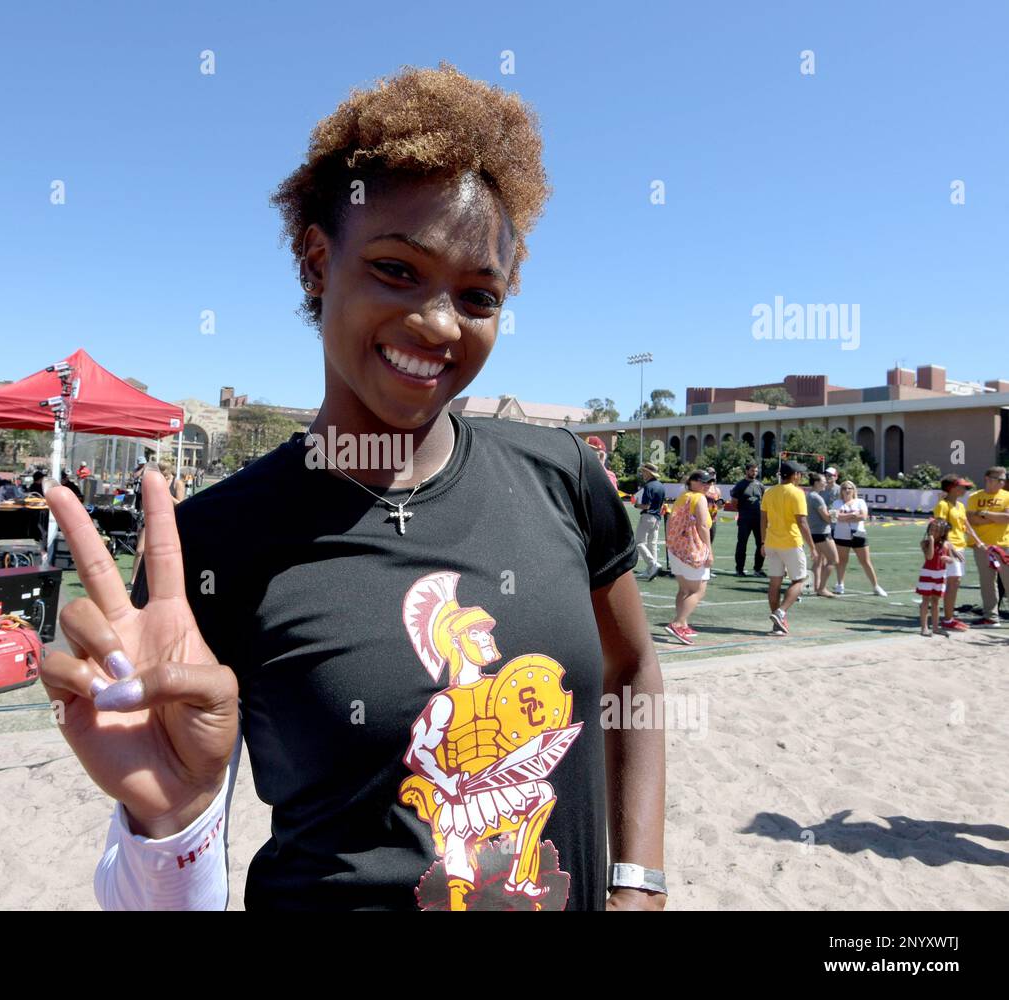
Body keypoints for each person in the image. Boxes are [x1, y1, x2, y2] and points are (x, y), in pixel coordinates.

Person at [39, 65, 665, 913]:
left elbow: (631, 671)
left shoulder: (564, 476)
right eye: (397, 270)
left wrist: (639, 883)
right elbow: (152, 888)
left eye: (478, 295)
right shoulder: (211, 550)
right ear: (317, 259)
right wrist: (177, 823)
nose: (440, 323)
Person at [760, 460, 813, 635]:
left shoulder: (769, 492)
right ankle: (780, 613)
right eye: (799, 474)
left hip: (772, 543)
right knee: (799, 580)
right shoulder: (797, 493)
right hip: (791, 542)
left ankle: (777, 624)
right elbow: (802, 522)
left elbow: (763, 519)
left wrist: (762, 542)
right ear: (794, 475)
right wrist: (813, 547)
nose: (801, 477)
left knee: (774, 584)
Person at [663, 470, 712, 644]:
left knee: (684, 589)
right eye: (703, 482)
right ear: (693, 482)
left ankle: (682, 622)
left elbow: (670, 520)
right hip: (692, 549)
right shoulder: (699, 499)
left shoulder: (683, 496)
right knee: (698, 590)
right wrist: (709, 551)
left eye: (709, 482)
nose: (707, 485)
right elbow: (703, 526)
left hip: (677, 548)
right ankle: (677, 623)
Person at [931, 475, 983, 631]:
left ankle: (948, 617)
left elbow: (966, 526)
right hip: (948, 548)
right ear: (951, 488)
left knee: (954, 582)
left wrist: (978, 541)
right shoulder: (942, 505)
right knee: (949, 582)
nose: (965, 489)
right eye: (962, 487)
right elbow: (938, 528)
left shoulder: (960, 505)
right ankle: (947, 619)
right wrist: (947, 546)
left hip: (960, 547)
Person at [966, 466, 1009, 626]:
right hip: (982, 546)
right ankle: (991, 617)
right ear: (989, 479)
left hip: (1004, 545)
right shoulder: (975, 497)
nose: (1004, 482)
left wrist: (985, 513)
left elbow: (1008, 518)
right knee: (987, 583)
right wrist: (998, 517)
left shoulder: (1007, 496)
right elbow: (972, 519)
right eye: (1001, 479)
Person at [830, 481, 887, 596]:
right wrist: (853, 515)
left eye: (849, 488)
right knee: (841, 561)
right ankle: (840, 584)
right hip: (841, 535)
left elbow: (863, 516)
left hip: (859, 534)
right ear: (841, 490)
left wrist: (844, 517)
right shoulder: (836, 503)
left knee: (866, 561)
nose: (847, 490)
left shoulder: (860, 502)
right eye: (844, 488)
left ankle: (876, 586)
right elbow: (834, 518)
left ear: (853, 490)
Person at [916, 519, 956, 637]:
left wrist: (949, 559)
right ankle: (924, 628)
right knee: (925, 601)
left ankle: (935, 627)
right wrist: (932, 542)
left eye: (937, 530)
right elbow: (929, 557)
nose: (933, 532)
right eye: (932, 529)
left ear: (943, 532)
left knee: (936, 601)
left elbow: (952, 559)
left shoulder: (947, 544)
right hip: (927, 573)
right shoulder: (925, 543)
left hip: (940, 574)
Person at [804, 472, 839, 597]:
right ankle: (822, 588)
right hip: (822, 533)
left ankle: (814, 586)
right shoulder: (816, 498)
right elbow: (828, 519)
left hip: (814, 532)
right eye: (824, 480)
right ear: (817, 483)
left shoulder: (810, 495)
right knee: (833, 560)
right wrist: (835, 514)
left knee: (818, 561)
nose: (826, 482)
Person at [731, 462, 765, 577]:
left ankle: (758, 569)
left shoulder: (760, 485)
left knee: (761, 543)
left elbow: (763, 502)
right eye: (752, 470)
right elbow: (734, 503)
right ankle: (739, 569)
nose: (754, 473)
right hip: (744, 520)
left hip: (758, 520)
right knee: (742, 544)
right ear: (747, 471)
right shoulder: (740, 485)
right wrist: (743, 512)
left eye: (756, 471)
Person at [633, 462, 665, 580]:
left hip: (648, 516)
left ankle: (653, 564)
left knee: (639, 543)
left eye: (644, 472)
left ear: (649, 473)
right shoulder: (661, 486)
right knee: (652, 544)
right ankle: (651, 570)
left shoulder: (648, 486)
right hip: (657, 518)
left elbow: (646, 506)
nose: (643, 474)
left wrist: (636, 505)